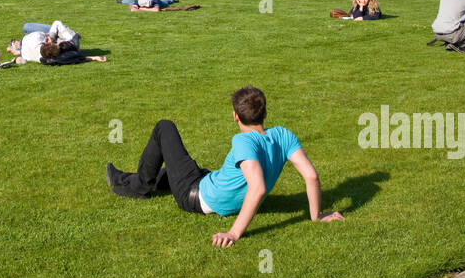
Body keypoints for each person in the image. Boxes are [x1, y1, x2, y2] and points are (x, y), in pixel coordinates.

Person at [105, 86, 343, 246]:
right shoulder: (283, 135)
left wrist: (234, 233)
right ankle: (134, 179)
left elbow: (257, 187)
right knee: (174, 171)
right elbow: (311, 176)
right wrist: (317, 216)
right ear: (265, 113)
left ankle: (138, 186)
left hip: (194, 196)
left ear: (235, 117)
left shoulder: (243, 141)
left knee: (164, 127)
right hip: (210, 181)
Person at [4, 20, 105, 65]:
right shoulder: (53, 58)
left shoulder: (43, 56)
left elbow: (74, 59)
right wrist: (51, 37)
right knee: (56, 25)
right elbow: (56, 23)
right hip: (72, 41)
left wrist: (50, 37)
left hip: (24, 45)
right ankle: (73, 33)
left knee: (26, 27)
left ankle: (17, 48)